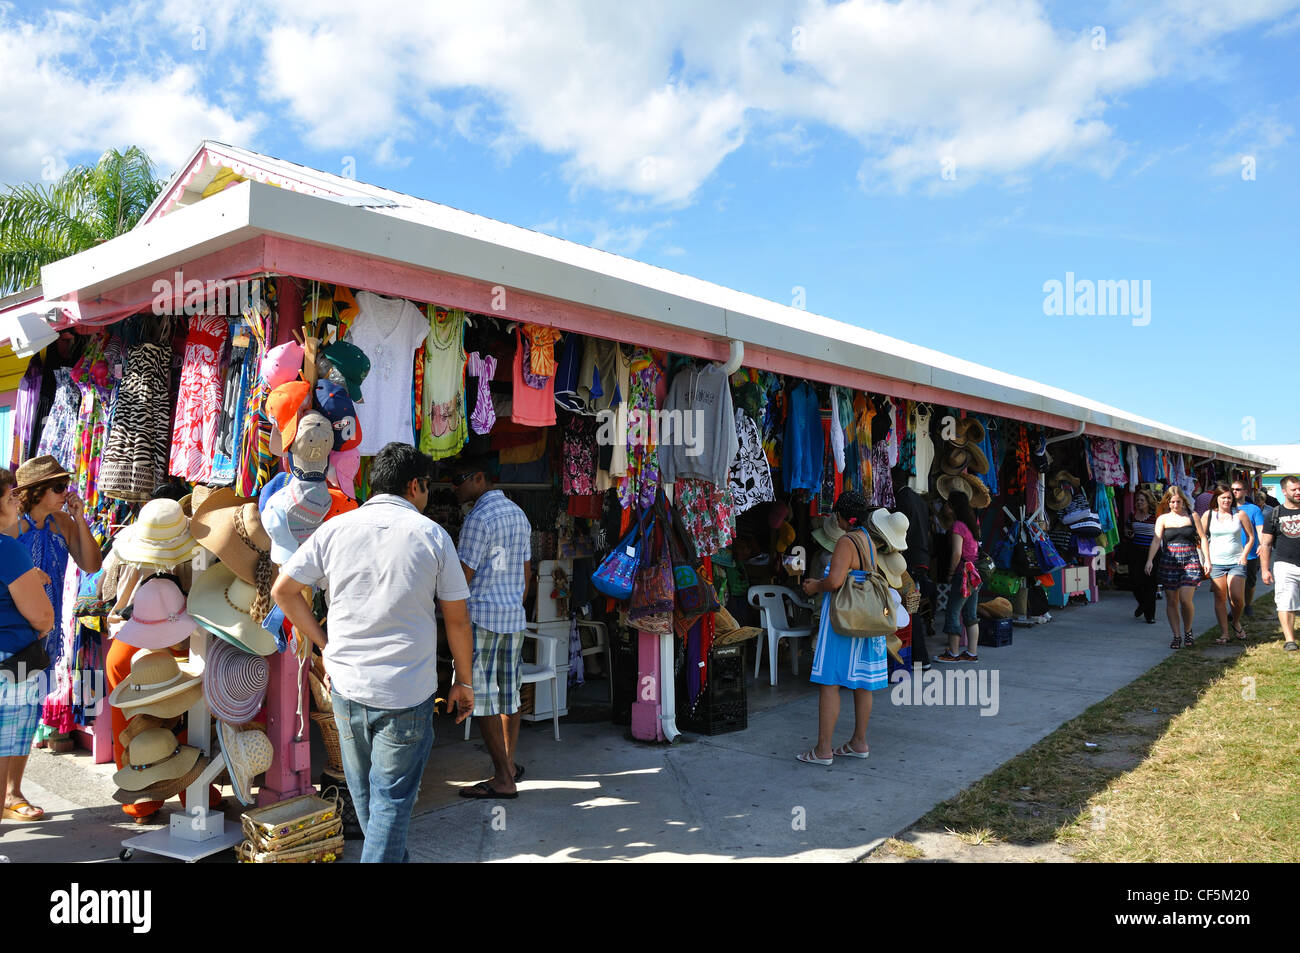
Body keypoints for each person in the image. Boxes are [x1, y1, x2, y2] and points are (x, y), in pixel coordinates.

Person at [272, 442, 475, 862]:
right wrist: (464, 681)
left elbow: (283, 592)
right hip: (406, 693)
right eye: (427, 487)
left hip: (347, 690)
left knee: (372, 805)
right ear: (415, 485)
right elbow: (457, 620)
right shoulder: (431, 535)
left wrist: (324, 646)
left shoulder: (336, 529)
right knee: (388, 805)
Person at [2, 454, 102, 822]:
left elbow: (91, 564)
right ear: (35, 492)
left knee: (27, 716)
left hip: (48, 634)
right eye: (59, 487)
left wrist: (80, 519)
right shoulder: (14, 529)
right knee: (13, 715)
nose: (66, 492)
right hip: (19, 635)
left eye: (66, 485)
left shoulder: (62, 522)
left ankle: (13, 791)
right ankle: (10, 794)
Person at [450, 459, 533, 799]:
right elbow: (527, 575)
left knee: (480, 699)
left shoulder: (477, 519)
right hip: (512, 617)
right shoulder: (519, 514)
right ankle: (508, 766)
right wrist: (513, 602)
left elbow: (461, 579)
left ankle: (503, 779)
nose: (454, 488)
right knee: (509, 696)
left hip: (482, 617)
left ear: (479, 477)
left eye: (459, 480)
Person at [796, 491, 888, 764]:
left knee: (830, 682)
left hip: (843, 620)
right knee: (862, 684)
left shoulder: (846, 542)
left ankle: (823, 750)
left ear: (841, 517)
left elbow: (835, 581)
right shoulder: (868, 541)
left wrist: (815, 586)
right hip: (865, 619)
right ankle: (859, 741)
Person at [0, 468, 57, 833]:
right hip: (11, 663)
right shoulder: (8, 549)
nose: (16, 502)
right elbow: (42, 617)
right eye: (8, 498)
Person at [1145, 486, 1210, 650]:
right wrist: (1150, 560)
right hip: (1170, 559)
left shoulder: (1192, 516)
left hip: (1190, 558)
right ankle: (1176, 635)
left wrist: (1207, 560)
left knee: (1185, 600)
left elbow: (1203, 538)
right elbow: (1156, 540)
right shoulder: (1163, 519)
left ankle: (1188, 631)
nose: (1175, 505)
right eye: (1172, 502)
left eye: (1178, 501)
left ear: (1183, 501)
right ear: (1167, 502)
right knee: (1171, 601)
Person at [1200, 483, 1255, 644]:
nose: (1226, 500)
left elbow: (1251, 537)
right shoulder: (1208, 515)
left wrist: (1244, 555)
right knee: (1220, 597)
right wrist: (1206, 560)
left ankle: (1236, 621)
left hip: (1236, 561)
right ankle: (1224, 632)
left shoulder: (1240, 514)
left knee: (1237, 597)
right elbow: (1202, 539)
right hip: (1216, 562)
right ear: (1216, 498)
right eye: (1223, 497)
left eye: (1229, 497)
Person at [935, 490, 982, 663]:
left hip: (963, 572)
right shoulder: (973, 522)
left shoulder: (958, 526)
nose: (945, 506)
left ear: (953, 506)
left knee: (952, 612)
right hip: (975, 571)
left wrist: (950, 573)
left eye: (948, 503)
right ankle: (971, 652)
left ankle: (953, 653)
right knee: (970, 613)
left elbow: (956, 553)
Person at [1258, 474, 1300, 652]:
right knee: (1285, 601)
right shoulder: (1274, 514)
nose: (1298, 492)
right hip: (1285, 564)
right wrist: (1265, 569)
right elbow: (1266, 544)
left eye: (1299, 489)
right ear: (1284, 491)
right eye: (1294, 489)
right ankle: (1289, 639)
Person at [1230, 480, 1264, 619]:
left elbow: (1260, 529)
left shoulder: (1254, 509)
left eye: (1238, 489)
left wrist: (1262, 544)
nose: (1234, 492)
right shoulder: (1226, 507)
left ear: (1245, 491)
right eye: (1232, 489)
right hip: (1231, 553)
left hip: (1249, 553)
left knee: (1249, 583)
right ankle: (1234, 608)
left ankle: (1247, 605)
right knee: (1231, 585)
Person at [1126, 488, 1159, 623]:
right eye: (1137, 500)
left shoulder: (1155, 517)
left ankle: (1149, 615)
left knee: (1150, 584)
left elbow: (1158, 537)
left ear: (1148, 502)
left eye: (1142, 500)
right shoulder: (1133, 515)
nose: (1139, 502)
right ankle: (1143, 604)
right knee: (1134, 582)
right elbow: (1127, 528)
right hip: (1135, 552)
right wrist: (1129, 533)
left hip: (1152, 552)